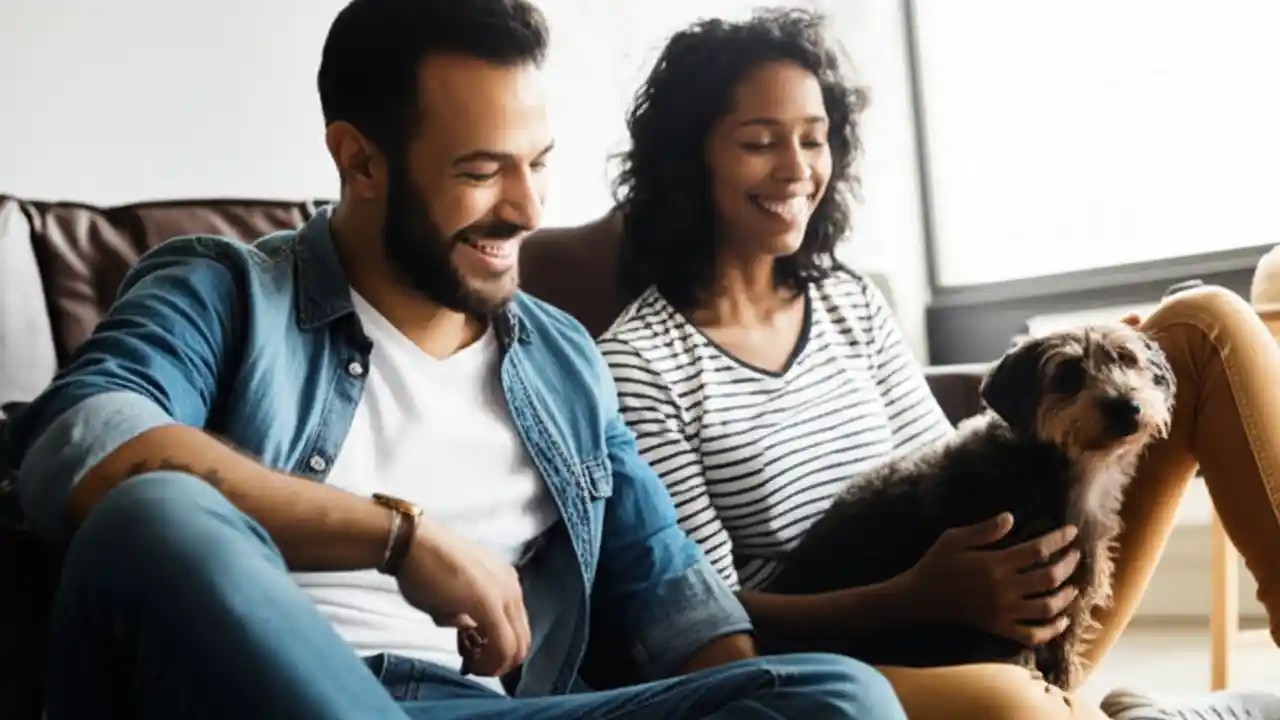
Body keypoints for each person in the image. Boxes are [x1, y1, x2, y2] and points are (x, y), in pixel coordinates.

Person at [2, 1, 912, 718]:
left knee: (838, 698)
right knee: (156, 510)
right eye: (481, 172)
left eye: (538, 164)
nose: (527, 211)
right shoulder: (222, 292)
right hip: (257, 689)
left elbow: (677, 602)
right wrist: (401, 539)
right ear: (360, 161)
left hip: (498, 708)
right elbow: (85, 448)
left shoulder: (563, 359)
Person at [597, 8, 1280, 720]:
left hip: (1016, 611)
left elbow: (946, 465)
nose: (797, 169)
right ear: (688, 160)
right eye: (760, 142)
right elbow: (705, 619)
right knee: (1018, 707)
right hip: (837, 666)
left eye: (814, 138)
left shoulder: (848, 300)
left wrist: (1098, 367)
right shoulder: (640, 364)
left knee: (1205, 323)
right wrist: (916, 597)